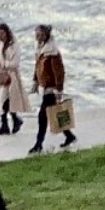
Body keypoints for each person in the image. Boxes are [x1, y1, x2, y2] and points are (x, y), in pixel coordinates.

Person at [29, 24, 74, 153]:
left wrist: (58, 90)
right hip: (46, 88)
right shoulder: (41, 50)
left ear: (45, 35)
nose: (37, 37)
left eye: (39, 35)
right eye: (36, 35)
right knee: (55, 113)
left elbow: (59, 72)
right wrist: (35, 81)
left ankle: (38, 144)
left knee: (42, 117)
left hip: (51, 89)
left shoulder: (52, 52)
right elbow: (37, 67)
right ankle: (69, 136)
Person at [0, 22, 28, 136]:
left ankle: (13, 120)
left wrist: (0, 63)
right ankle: (7, 123)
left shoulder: (14, 45)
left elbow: (15, 63)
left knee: (4, 100)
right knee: (0, 101)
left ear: (7, 32)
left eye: (2, 33)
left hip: (10, 77)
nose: (0, 36)